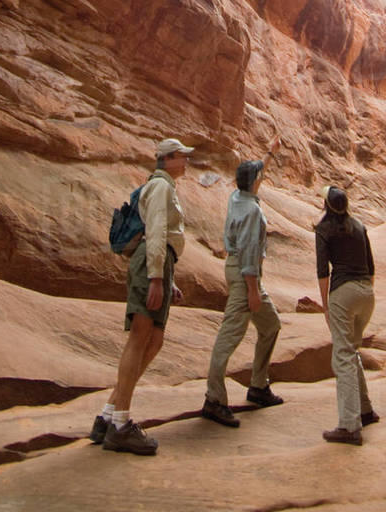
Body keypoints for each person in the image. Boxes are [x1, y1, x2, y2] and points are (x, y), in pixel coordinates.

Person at [90, 137, 191, 455]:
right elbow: (157, 230)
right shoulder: (161, 187)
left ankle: (107, 417)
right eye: (182, 156)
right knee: (140, 337)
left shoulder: (164, 186)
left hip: (157, 262)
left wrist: (166, 276)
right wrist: (157, 276)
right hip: (151, 261)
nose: (186, 161)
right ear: (168, 159)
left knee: (154, 340)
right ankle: (120, 424)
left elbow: (162, 235)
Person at [201, 139, 284, 427]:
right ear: (256, 182)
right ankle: (213, 399)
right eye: (261, 175)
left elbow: (257, 169)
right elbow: (249, 251)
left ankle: (258, 386)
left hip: (241, 272)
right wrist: (252, 291)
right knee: (229, 336)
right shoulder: (252, 212)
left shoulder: (237, 196)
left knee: (271, 325)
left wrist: (270, 152)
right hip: (245, 275)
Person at [316, 185, 379, 446]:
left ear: (326, 206)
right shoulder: (359, 226)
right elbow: (371, 267)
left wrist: (326, 306)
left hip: (343, 292)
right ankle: (365, 411)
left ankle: (349, 426)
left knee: (342, 355)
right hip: (367, 293)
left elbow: (323, 272)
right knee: (351, 350)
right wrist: (364, 292)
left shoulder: (323, 230)